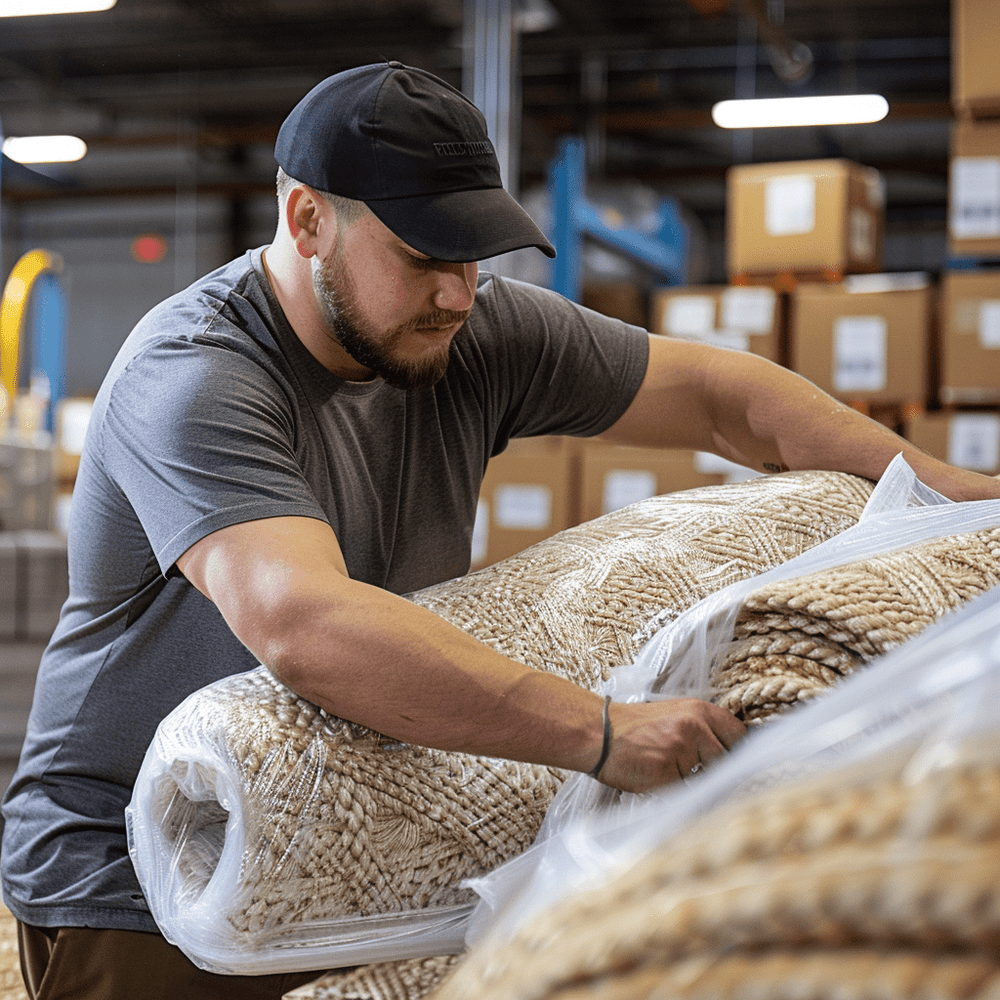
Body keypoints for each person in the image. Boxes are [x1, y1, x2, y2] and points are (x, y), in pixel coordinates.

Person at [3, 60, 999, 1000]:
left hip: (346, 848)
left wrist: (944, 489)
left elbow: (715, 396)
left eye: (474, 257)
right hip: (147, 879)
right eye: (423, 256)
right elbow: (303, 624)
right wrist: (600, 733)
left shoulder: (467, 330)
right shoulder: (197, 378)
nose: (457, 291)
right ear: (306, 220)